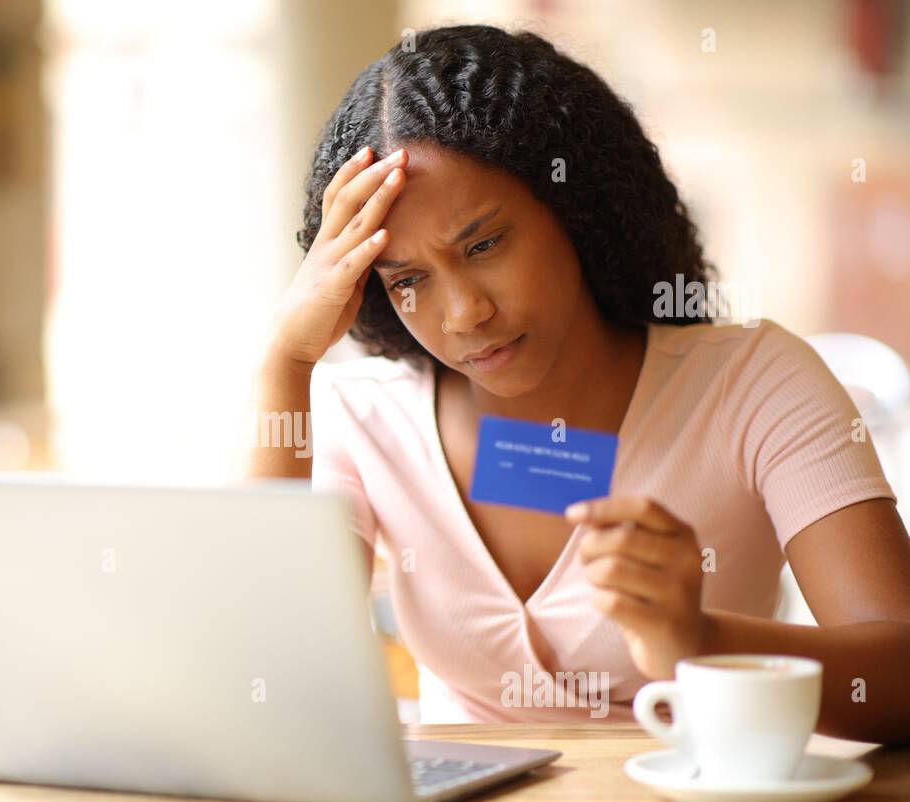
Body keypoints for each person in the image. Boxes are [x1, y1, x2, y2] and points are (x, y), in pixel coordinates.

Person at [245, 24, 910, 742]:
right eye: (408, 278)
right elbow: (267, 683)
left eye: (484, 244)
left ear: (575, 208)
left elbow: (901, 672)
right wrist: (286, 362)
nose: (465, 314)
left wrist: (699, 641)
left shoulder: (756, 384)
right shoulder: (364, 418)